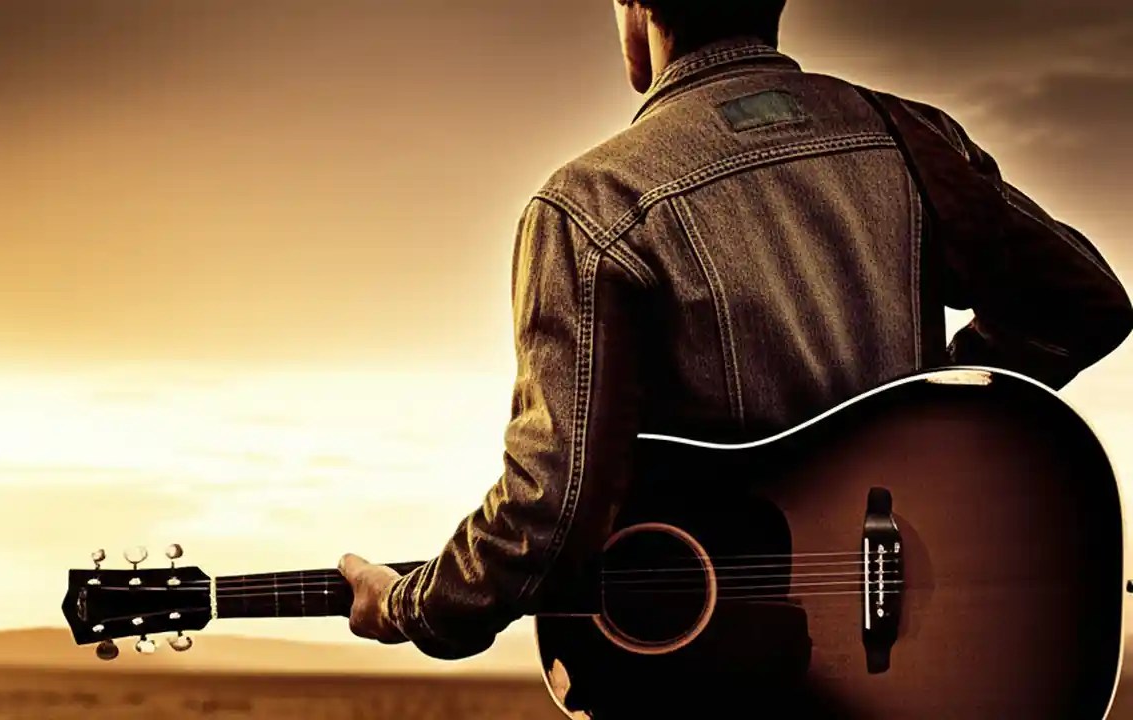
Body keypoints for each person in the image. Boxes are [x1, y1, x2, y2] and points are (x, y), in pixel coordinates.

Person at [338, 0, 1133, 661]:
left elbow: (552, 512)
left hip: (739, 680)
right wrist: (919, 418)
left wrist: (406, 604)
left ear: (637, 6)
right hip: (924, 664)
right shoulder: (911, 140)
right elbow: (1082, 303)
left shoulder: (593, 207)